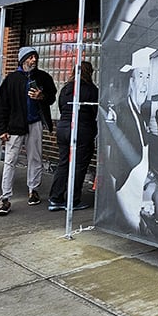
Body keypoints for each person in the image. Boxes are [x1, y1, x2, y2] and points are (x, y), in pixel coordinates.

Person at [0, 46, 57, 216]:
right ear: (22, 60)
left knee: (35, 157)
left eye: (35, 57)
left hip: (35, 123)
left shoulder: (43, 77)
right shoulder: (11, 79)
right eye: (30, 57)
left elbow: (52, 96)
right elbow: (0, 106)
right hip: (14, 126)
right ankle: (5, 198)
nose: (34, 60)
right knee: (10, 161)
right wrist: (2, 129)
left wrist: (41, 96)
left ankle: (33, 190)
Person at [48, 61, 99, 212]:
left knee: (64, 163)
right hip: (82, 129)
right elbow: (94, 112)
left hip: (63, 128)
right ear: (89, 73)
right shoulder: (92, 90)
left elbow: (61, 107)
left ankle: (55, 199)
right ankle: (72, 200)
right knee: (79, 166)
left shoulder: (65, 89)